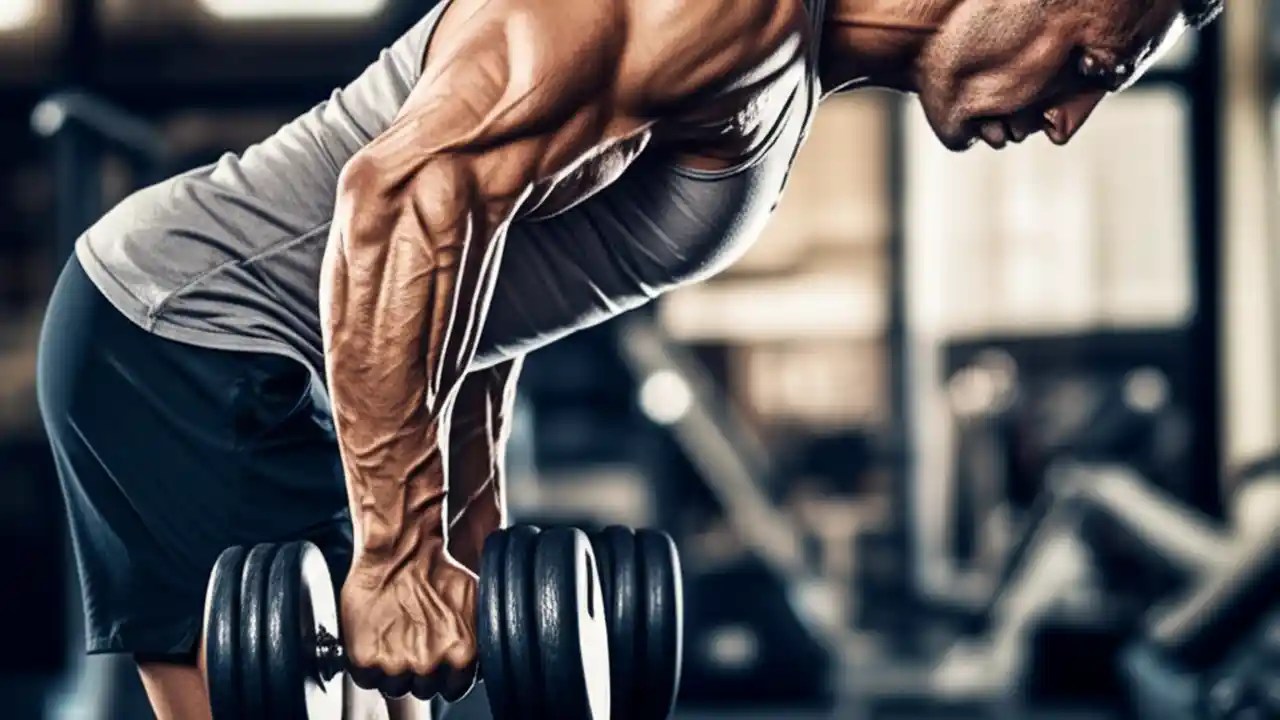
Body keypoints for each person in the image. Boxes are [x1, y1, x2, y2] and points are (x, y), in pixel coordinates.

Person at [36, 0, 1222, 717]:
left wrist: (467, 526)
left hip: (294, 364)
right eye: (1090, 63)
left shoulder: (783, 69)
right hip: (188, 339)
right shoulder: (715, 12)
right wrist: (400, 552)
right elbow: (406, 201)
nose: (1067, 118)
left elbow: (493, 282)